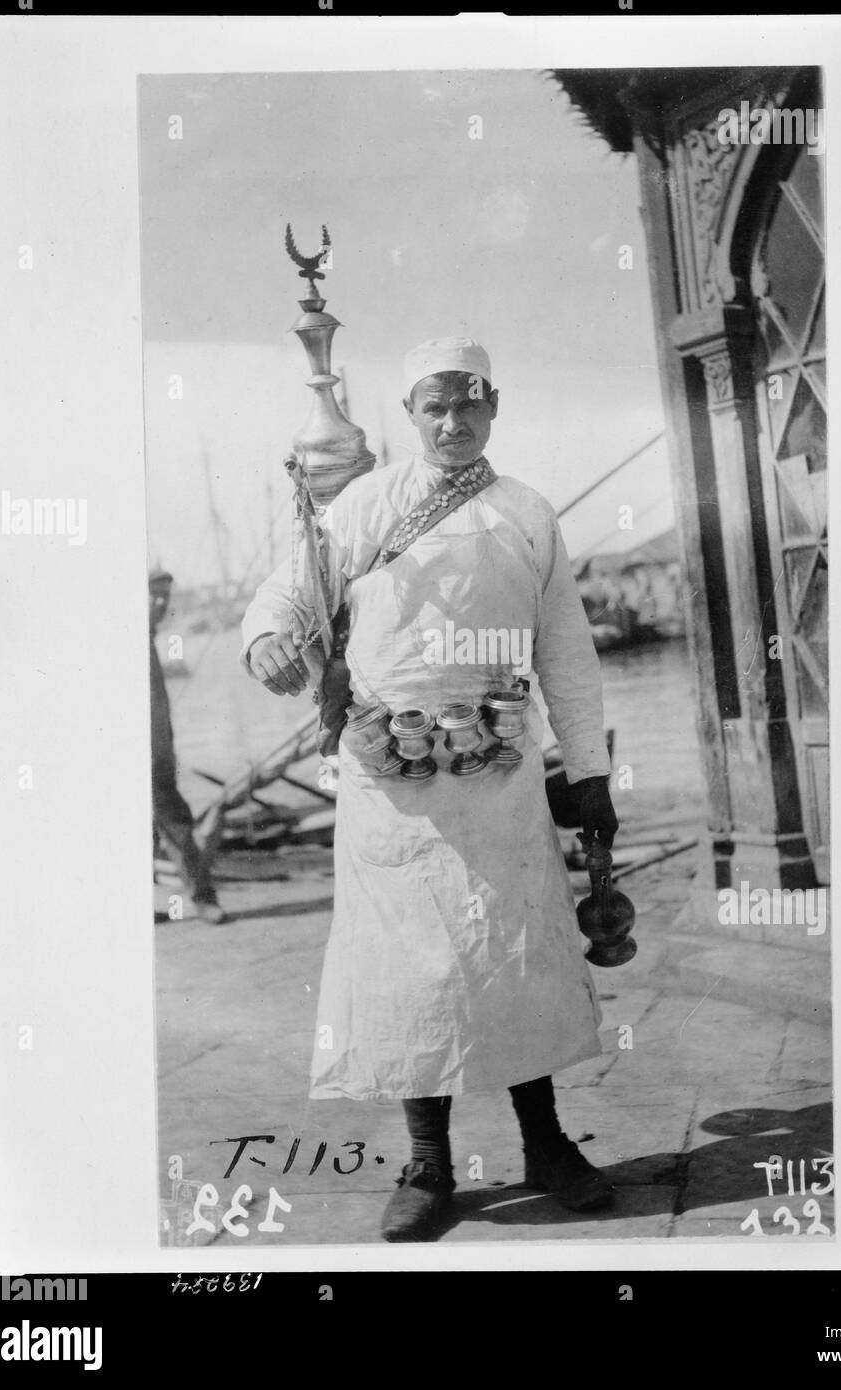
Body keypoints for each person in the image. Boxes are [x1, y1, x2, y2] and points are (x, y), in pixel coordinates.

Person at [240, 338, 619, 1240]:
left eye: (469, 404)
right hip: (389, 779)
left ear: (496, 406)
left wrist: (592, 772)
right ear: (410, 416)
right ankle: (427, 1165)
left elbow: (565, 649)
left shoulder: (526, 514)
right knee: (407, 967)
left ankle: (548, 1145)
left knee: (515, 955)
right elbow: (290, 596)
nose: (453, 423)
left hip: (500, 769)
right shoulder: (364, 504)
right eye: (434, 407)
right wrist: (268, 643)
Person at [149, 567, 228, 926]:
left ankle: (203, 897)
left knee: (174, 821)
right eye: (152, 594)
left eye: (165, 596)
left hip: (158, 755)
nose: (160, 603)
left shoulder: (146, 639)